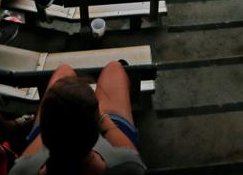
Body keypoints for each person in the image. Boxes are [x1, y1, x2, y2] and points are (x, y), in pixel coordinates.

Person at [11, 61, 146, 175]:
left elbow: (48, 137)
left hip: (52, 141)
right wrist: (102, 118)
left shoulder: (21, 171)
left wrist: (55, 119)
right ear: (95, 132)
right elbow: (132, 155)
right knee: (114, 68)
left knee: (64, 70)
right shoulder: (128, 167)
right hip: (104, 137)